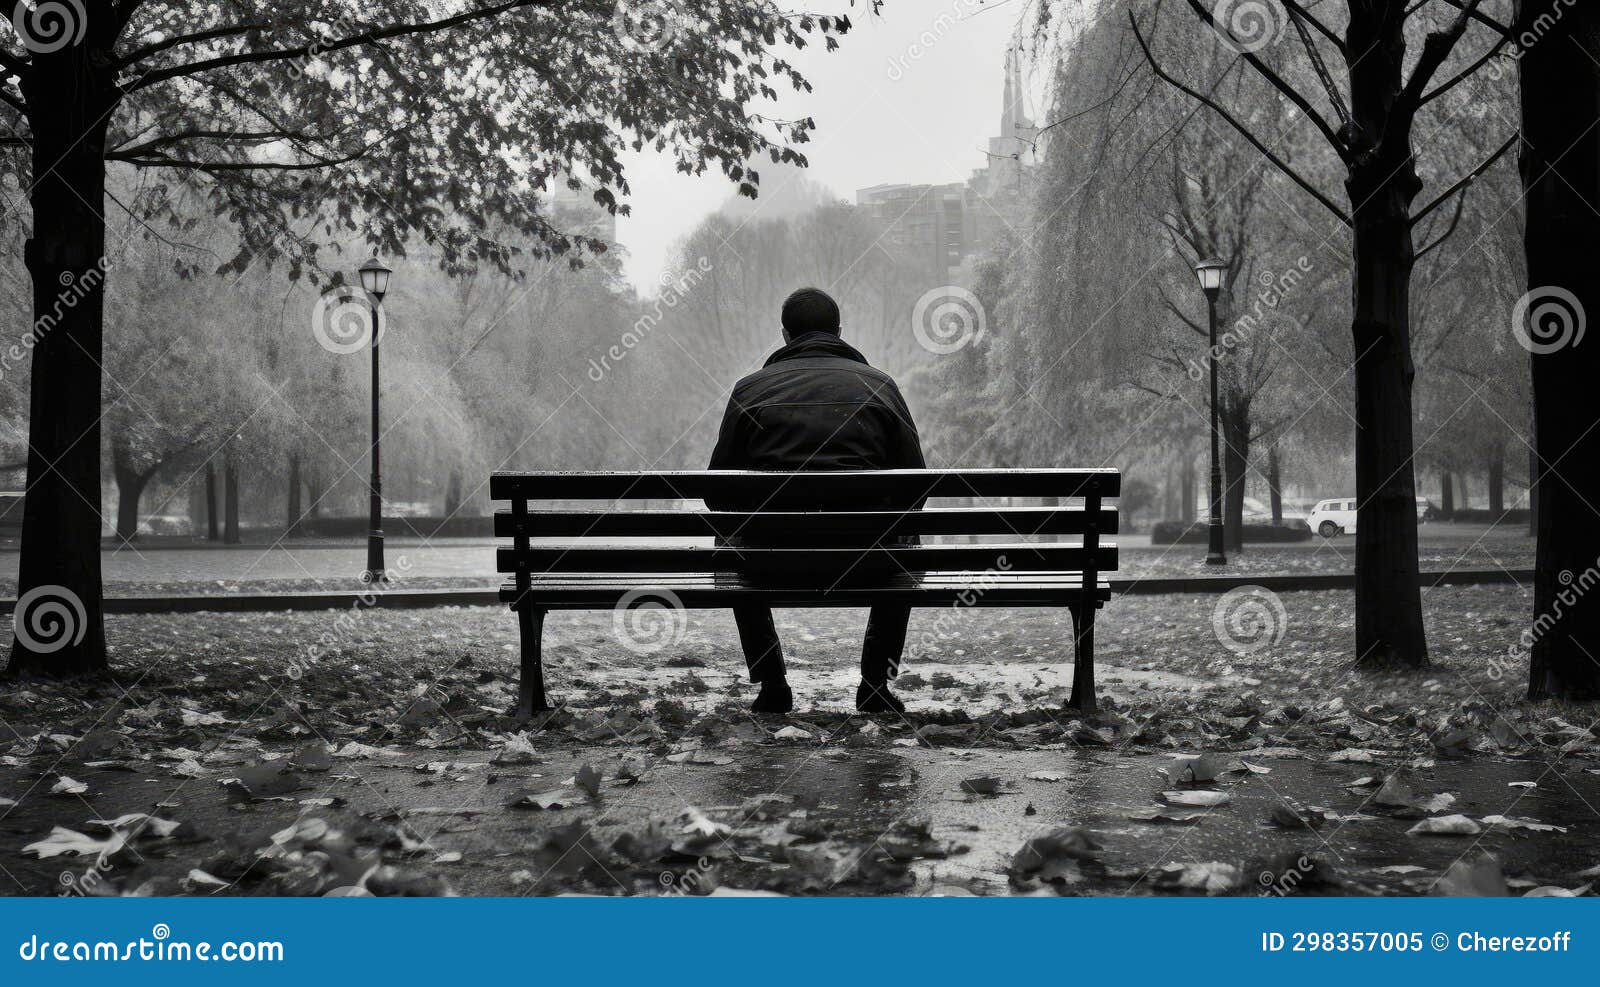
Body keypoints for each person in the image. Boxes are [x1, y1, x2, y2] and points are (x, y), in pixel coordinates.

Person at [707, 287, 926, 714]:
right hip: (869, 558)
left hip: (769, 557)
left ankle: (773, 684)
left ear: (785, 335)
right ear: (839, 332)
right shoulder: (880, 385)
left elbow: (716, 491)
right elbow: (915, 482)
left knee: (729, 544)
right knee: (907, 540)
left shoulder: (749, 390)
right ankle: (874, 685)